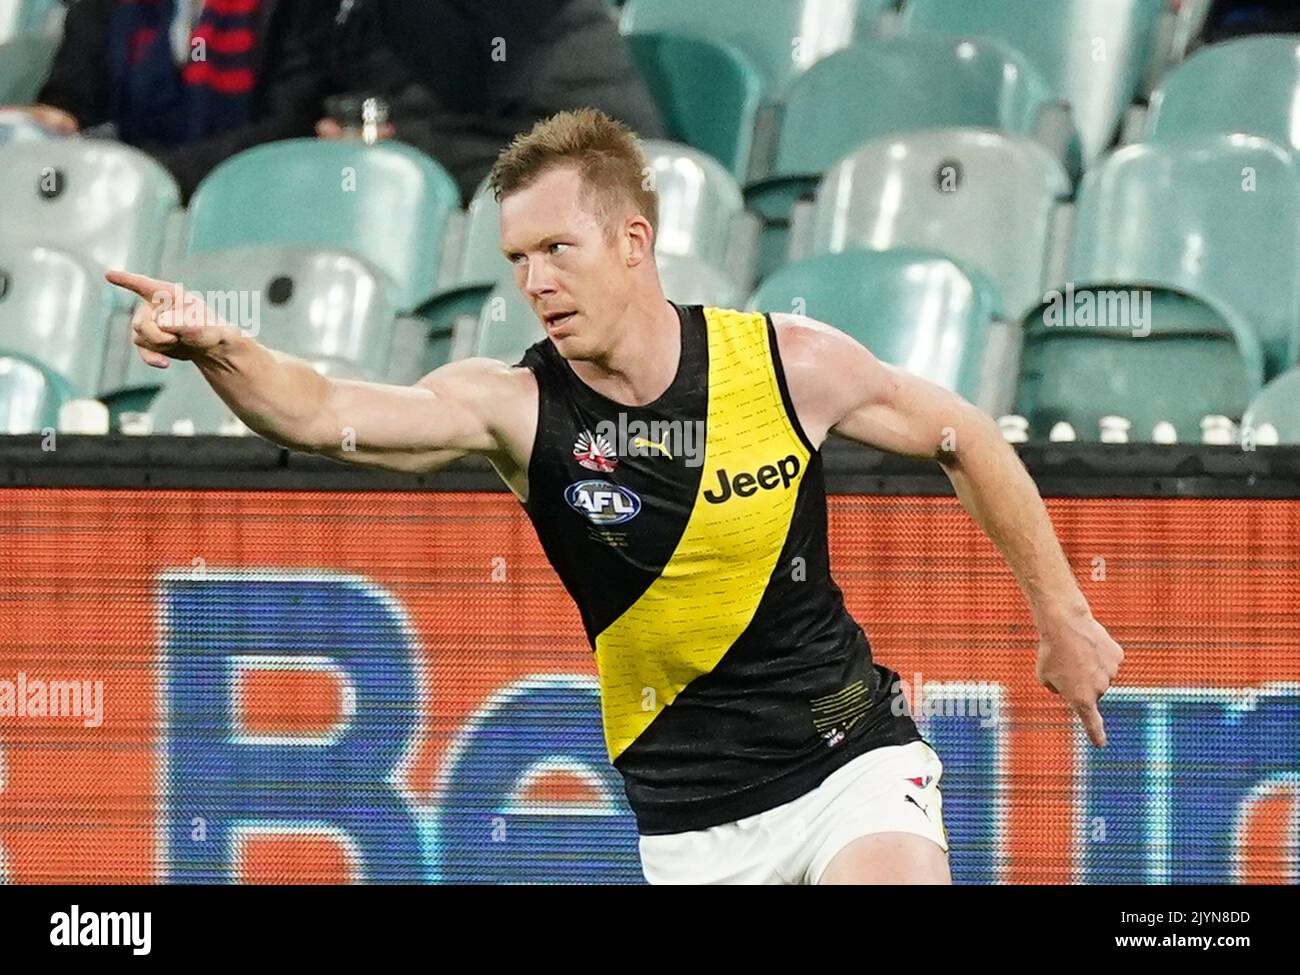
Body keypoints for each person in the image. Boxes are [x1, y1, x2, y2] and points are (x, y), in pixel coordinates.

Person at [107, 107, 1124, 885]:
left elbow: (965, 435)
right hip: (690, 821)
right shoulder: (511, 409)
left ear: (632, 243)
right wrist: (221, 347)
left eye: (559, 249)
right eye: (516, 260)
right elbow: (321, 411)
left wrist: (1062, 615)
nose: (535, 280)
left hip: (851, 760)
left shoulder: (786, 365)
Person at [25, 0, 329, 199]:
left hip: (245, 201)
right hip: (115, 199)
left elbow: (290, 125)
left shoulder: (297, 9)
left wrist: (160, 174)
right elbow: (69, 98)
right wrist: (53, 122)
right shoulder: (105, 7)